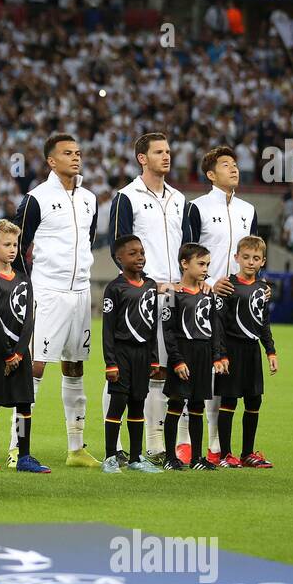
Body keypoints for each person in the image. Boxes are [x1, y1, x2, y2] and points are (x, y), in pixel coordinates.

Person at [13, 133, 100, 468]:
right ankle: (16, 447)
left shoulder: (90, 199)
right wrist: (26, 287)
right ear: (51, 161)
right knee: (34, 367)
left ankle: (76, 448)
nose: (76, 157)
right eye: (67, 153)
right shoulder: (36, 199)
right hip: (47, 292)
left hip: (80, 292)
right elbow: (18, 246)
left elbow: (88, 241)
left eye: (78, 152)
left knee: (75, 367)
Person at [109, 133, 186, 463]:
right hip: (142, 295)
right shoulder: (126, 198)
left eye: (168, 151)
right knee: (124, 370)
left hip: (175, 294)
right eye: (158, 152)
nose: (166, 156)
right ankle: (116, 446)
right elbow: (118, 247)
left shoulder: (180, 199)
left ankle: (155, 444)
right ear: (142, 158)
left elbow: (187, 247)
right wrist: (141, 285)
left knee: (163, 369)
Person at [183, 145, 260, 463]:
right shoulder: (197, 207)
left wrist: (255, 290)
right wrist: (209, 281)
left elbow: (254, 253)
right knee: (200, 370)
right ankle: (186, 441)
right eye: (226, 164)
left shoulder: (248, 210)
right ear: (211, 175)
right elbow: (187, 252)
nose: (234, 168)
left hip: (236, 305)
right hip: (204, 299)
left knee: (225, 373)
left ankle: (217, 446)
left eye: (235, 164)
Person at [0, 219, 48, 474]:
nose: (12, 249)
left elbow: (28, 320)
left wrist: (19, 352)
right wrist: (7, 354)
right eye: (6, 244)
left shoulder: (24, 281)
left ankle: (24, 456)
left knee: (24, 405)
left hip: (20, 353)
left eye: (15, 244)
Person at [99, 235, 167, 474]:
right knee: (118, 405)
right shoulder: (114, 288)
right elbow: (108, 329)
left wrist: (154, 357)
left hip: (143, 355)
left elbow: (152, 325)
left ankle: (137, 457)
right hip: (122, 353)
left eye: (142, 252)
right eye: (133, 253)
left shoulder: (150, 285)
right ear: (119, 258)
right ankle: (110, 457)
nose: (140, 257)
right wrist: (110, 362)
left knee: (138, 405)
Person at [161, 243, 227, 471]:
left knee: (198, 406)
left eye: (208, 264)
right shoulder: (172, 294)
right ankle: (170, 457)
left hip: (203, 355)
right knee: (176, 403)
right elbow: (168, 330)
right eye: (201, 264)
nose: (205, 269)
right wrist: (177, 360)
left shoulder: (208, 294)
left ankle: (197, 458)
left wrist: (217, 356)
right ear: (184, 264)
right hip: (182, 354)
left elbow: (215, 328)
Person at [214, 236, 277, 469]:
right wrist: (220, 355)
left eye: (256, 258)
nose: (251, 262)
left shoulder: (263, 289)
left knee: (254, 400)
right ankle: (225, 454)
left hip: (252, 352)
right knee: (229, 400)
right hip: (232, 350)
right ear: (237, 258)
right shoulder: (228, 286)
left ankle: (248, 453)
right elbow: (218, 324)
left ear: (263, 261)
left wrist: (270, 351)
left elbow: (264, 322)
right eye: (246, 257)